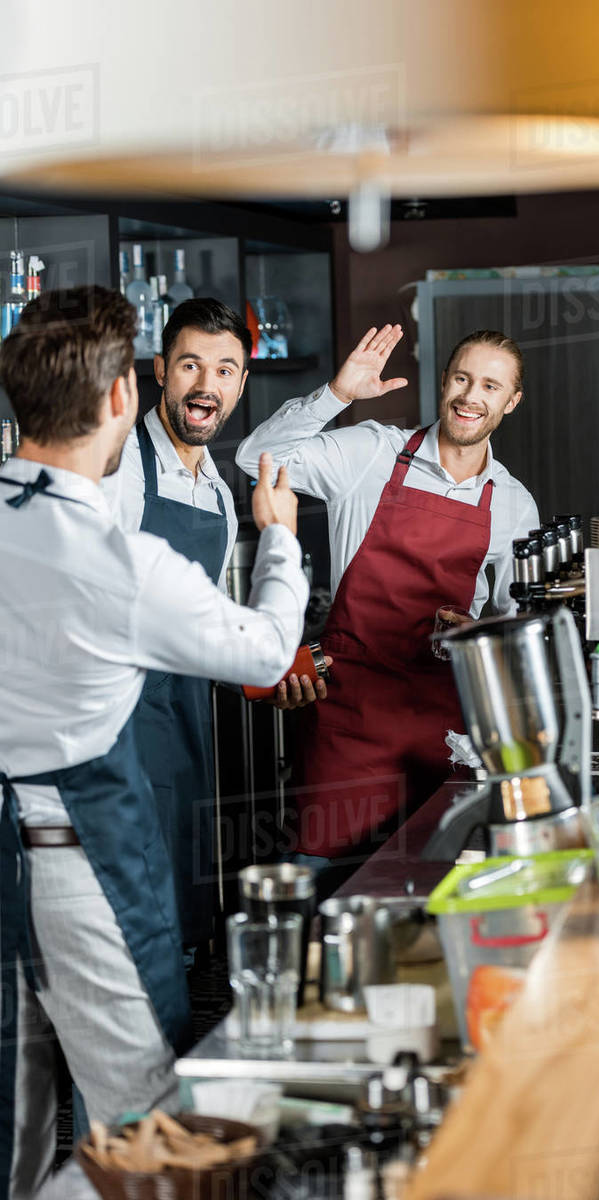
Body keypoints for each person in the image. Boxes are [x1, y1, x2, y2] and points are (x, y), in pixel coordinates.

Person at [0, 285, 308, 1198]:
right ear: (122, 399)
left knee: (12, 1123)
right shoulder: (120, 561)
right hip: (77, 856)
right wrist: (280, 542)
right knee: (143, 1119)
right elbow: (264, 647)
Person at [235, 324, 539, 879]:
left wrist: (475, 633)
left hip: (439, 736)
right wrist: (338, 394)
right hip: (348, 727)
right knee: (316, 887)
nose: (472, 397)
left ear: (512, 402)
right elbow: (256, 456)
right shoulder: (372, 452)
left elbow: (512, 626)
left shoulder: (514, 505)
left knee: (422, 890)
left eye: (491, 387)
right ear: (444, 382)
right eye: (463, 379)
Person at [102, 297, 325, 950]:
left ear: (242, 383)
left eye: (225, 370)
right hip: (117, 727)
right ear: (161, 370)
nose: (207, 387)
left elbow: (202, 624)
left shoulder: (220, 494)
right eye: (191, 366)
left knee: (184, 913)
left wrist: (263, 670)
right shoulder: (119, 471)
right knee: (133, 918)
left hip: (185, 724)